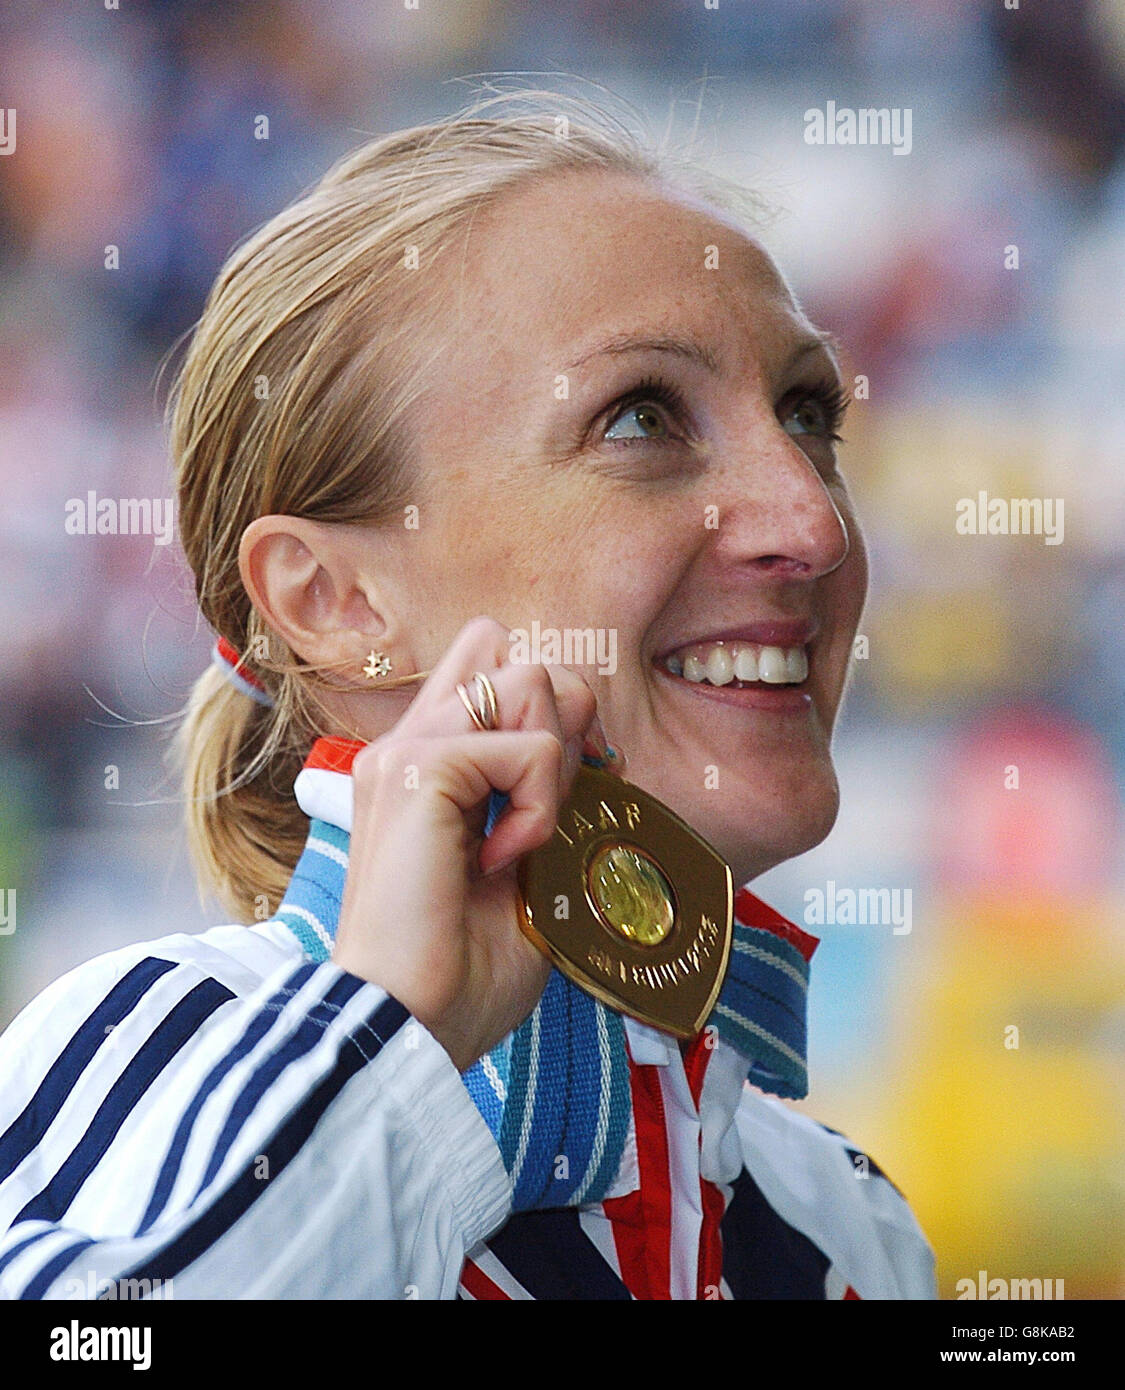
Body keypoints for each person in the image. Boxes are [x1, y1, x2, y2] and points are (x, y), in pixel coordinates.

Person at [0, 92, 935, 1300]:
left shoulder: (842, 1220)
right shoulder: (151, 1042)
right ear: (336, 599)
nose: (811, 520)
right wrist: (388, 1051)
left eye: (810, 418)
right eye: (642, 417)